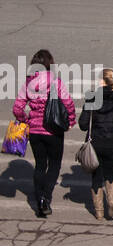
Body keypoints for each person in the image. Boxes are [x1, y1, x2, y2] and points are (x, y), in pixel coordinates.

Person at [12, 50, 76, 218]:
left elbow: (17, 108)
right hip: (53, 130)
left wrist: (25, 120)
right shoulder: (56, 81)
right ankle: (46, 199)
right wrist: (71, 121)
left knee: (40, 165)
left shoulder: (28, 83)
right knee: (54, 165)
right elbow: (68, 103)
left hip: (35, 131)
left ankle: (39, 198)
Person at [78, 68, 113, 221]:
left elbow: (82, 124)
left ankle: (99, 211)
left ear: (102, 82)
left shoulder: (91, 99)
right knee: (111, 174)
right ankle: (112, 201)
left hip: (95, 143)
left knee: (96, 177)